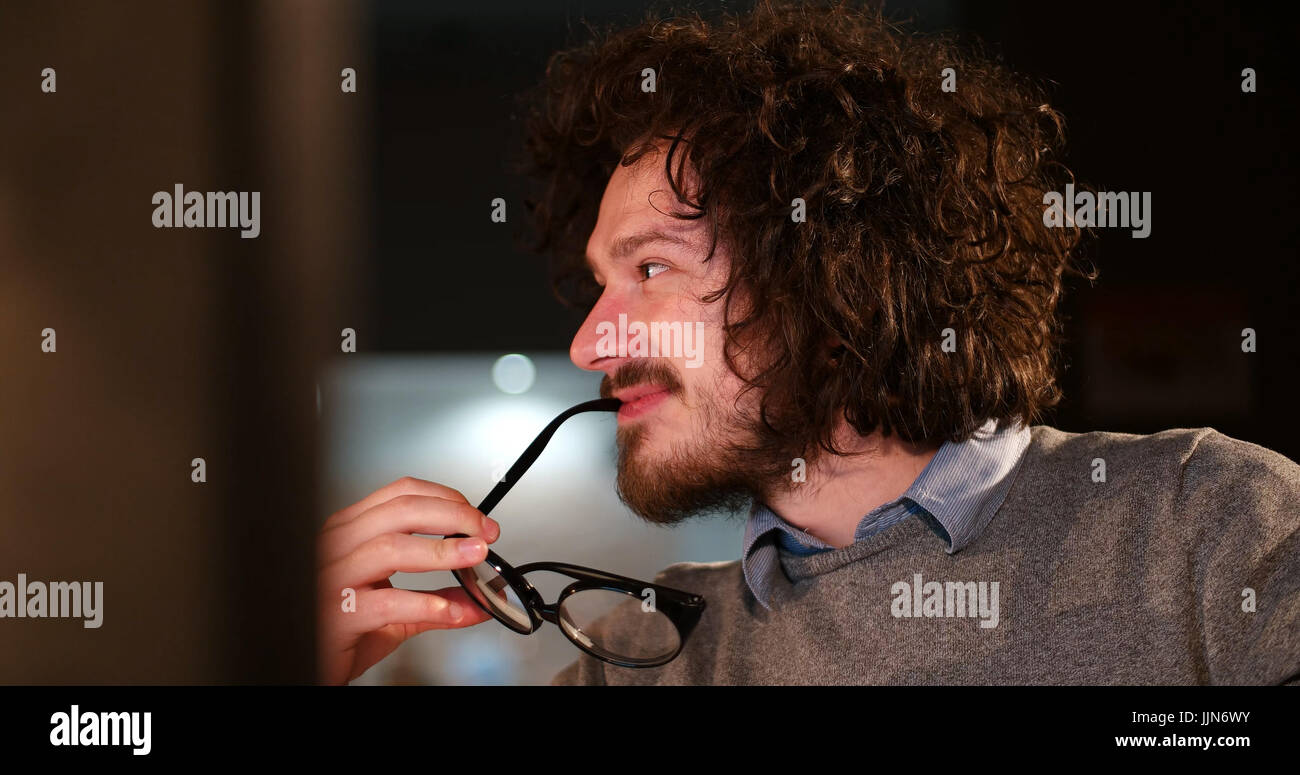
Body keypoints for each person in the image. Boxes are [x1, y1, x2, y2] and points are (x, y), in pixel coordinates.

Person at [317, 0, 1300, 685]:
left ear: (836, 269)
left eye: (649, 267)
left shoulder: (1207, 526)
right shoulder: (647, 655)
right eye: (599, 282)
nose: (588, 340)